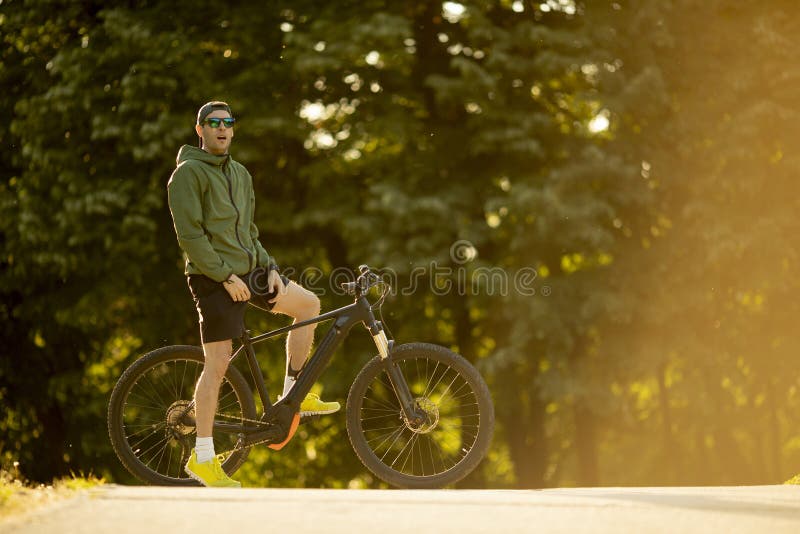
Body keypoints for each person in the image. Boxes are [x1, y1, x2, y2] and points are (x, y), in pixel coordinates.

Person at [167, 101, 340, 487]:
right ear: (200, 130)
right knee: (219, 363)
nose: (221, 128)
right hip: (213, 278)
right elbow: (190, 237)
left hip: (252, 270)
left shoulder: (240, 174)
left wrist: (271, 267)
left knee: (309, 305)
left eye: (227, 122)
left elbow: (250, 231)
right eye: (213, 123)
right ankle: (204, 457)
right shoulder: (187, 175)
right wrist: (226, 276)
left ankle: (294, 394)